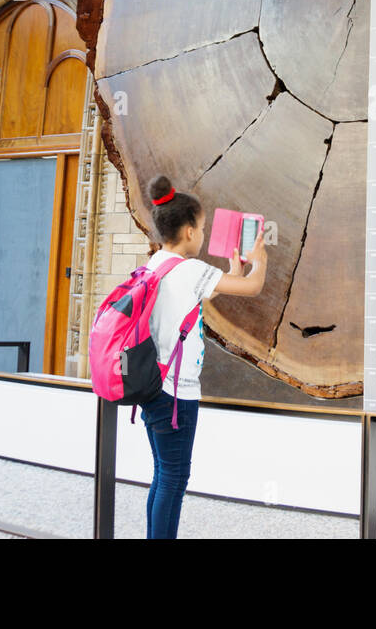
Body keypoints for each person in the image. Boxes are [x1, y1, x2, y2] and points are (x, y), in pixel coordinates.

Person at [140, 173, 266, 539]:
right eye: (203, 226)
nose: (205, 233)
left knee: (162, 474)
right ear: (190, 232)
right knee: (175, 479)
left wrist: (231, 273)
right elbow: (254, 287)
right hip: (176, 394)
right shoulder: (191, 270)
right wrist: (259, 260)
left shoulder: (157, 264)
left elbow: (194, 297)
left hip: (152, 386)